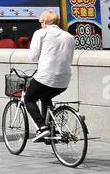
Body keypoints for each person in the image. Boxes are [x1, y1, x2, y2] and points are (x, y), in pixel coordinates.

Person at [26, 11, 76, 142]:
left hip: (46, 76)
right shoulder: (69, 36)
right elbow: (69, 59)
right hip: (64, 80)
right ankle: (51, 130)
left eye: (41, 22)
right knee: (45, 97)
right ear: (57, 22)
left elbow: (33, 57)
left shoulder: (40, 33)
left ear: (44, 22)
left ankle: (42, 128)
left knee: (29, 99)